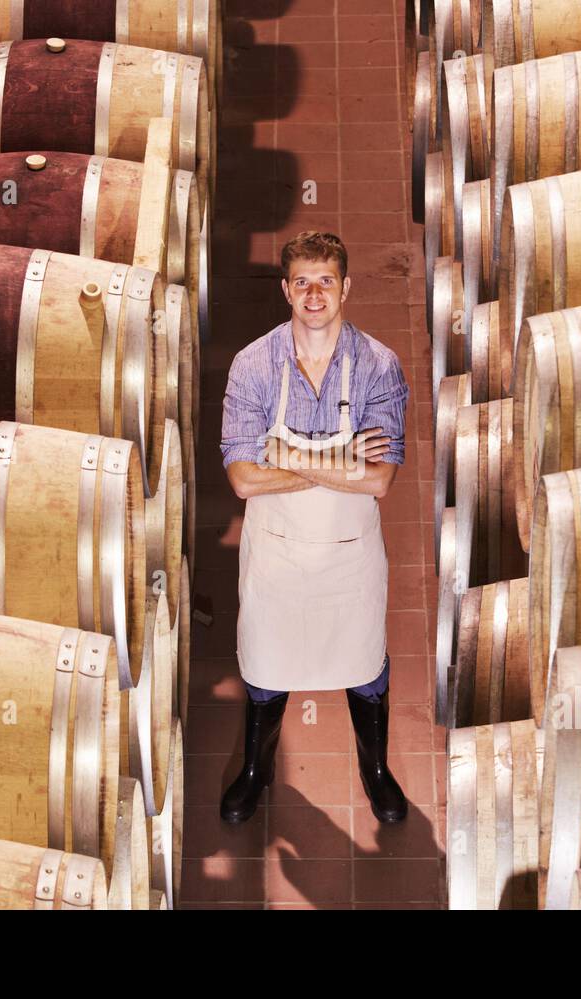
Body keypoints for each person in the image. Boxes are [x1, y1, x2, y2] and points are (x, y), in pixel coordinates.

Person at [219, 231, 411, 825]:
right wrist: (340, 462)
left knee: (363, 667)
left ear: (346, 287)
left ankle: (374, 771)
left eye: (326, 280)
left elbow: (380, 481)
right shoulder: (253, 363)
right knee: (265, 668)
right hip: (275, 557)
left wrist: (288, 459)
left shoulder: (379, 365)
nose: (314, 293)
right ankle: (255, 771)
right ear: (285, 290)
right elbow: (244, 481)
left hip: (349, 555)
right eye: (302, 281)